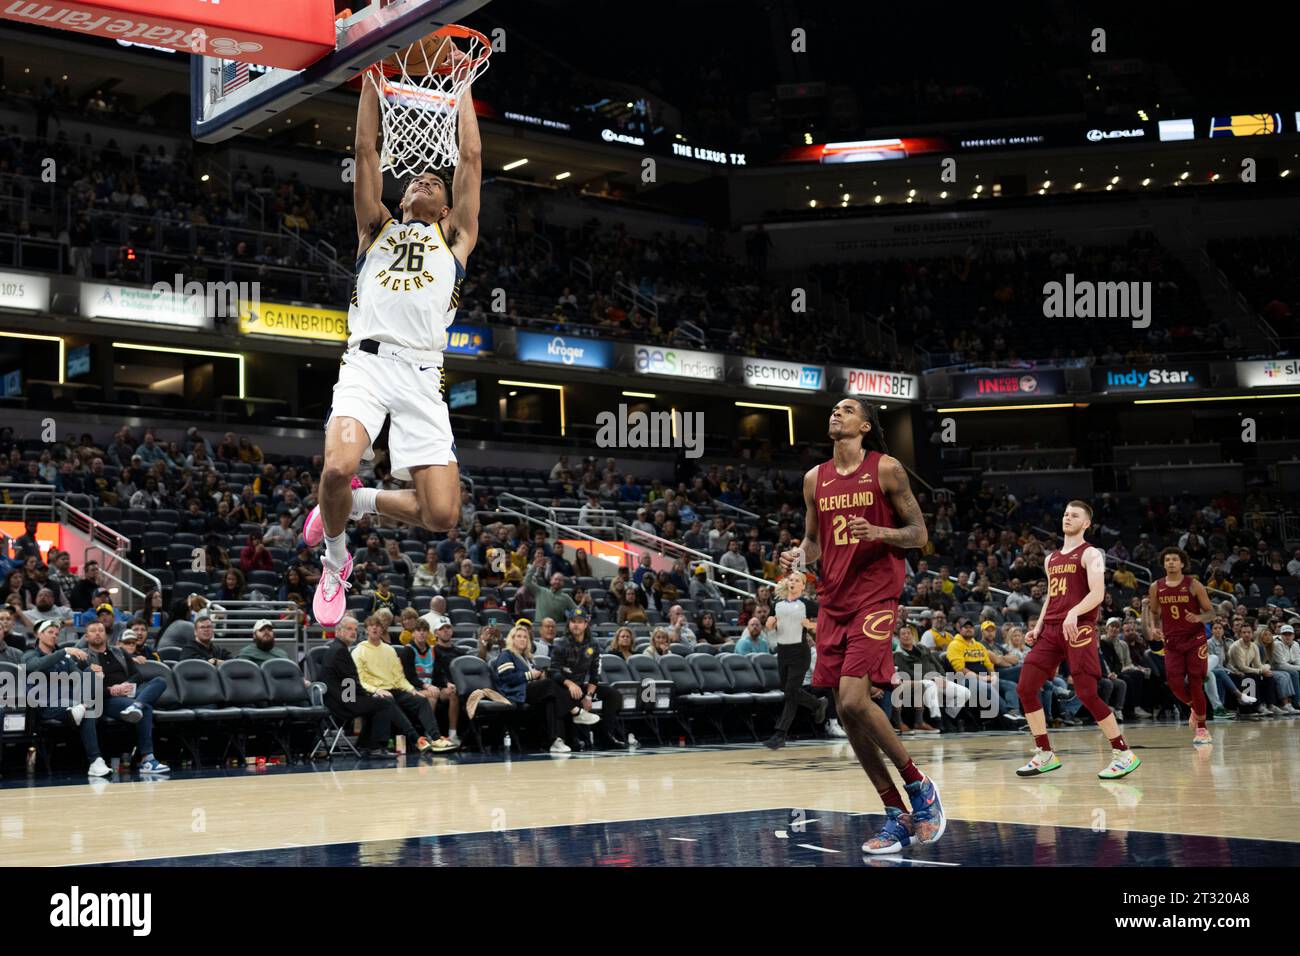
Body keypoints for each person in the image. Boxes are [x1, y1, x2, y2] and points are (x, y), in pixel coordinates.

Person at [302, 43, 484, 626]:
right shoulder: (374, 226)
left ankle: (357, 503)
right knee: (333, 466)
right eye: (418, 180)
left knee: (441, 515)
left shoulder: (455, 238)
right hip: (367, 364)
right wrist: (371, 76)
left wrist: (459, 85)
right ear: (402, 198)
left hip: (423, 374)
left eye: (437, 179)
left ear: (447, 204)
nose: (427, 179)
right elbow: (364, 148)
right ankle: (335, 562)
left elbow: (473, 157)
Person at [780, 396, 943, 854]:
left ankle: (920, 786)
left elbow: (920, 534)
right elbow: (814, 541)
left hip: (875, 595)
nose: (836, 413)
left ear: (866, 426)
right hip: (833, 600)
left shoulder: (887, 469)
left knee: (855, 697)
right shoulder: (815, 479)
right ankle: (896, 813)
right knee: (847, 712)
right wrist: (799, 557)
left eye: (847, 410)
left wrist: (881, 533)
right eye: (834, 409)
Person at [1016, 501, 1140, 780]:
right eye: (1065, 514)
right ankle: (1045, 753)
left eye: (1075, 515)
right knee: (1025, 688)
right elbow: (1051, 597)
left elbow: (1097, 593)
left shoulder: (1092, 553)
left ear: (1086, 524)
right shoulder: (1051, 559)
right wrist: (1037, 627)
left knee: (1086, 692)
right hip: (1050, 630)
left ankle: (1123, 752)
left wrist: (1073, 612)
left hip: (1079, 627)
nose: (1068, 518)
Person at [78, 620, 171, 776]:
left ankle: (137, 705)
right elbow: (87, 688)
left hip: (130, 692)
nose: (97, 633)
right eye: (93, 631)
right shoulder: (83, 658)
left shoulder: (119, 652)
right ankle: (148, 759)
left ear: (106, 635)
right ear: (86, 637)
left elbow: (137, 675)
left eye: (101, 630)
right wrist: (111, 690)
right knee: (145, 707)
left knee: (160, 681)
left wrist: (126, 684)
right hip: (106, 699)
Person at [352, 615, 457, 751]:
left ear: (382, 629)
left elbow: (399, 677)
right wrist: (376, 690)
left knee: (422, 700)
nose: (374, 628)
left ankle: (436, 738)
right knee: (388, 700)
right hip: (373, 692)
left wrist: (411, 689)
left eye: (377, 625)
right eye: (371, 625)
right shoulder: (359, 651)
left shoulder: (389, 650)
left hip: (394, 689)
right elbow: (360, 680)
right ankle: (416, 739)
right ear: (366, 630)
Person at [1146, 548, 1216, 745]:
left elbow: (1211, 614)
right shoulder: (1156, 586)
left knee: (1195, 681)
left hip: (1195, 639)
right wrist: (1155, 628)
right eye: (1167, 560)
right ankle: (1197, 709)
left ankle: (1202, 729)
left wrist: (1199, 617)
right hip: (1172, 641)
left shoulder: (1194, 585)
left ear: (1182, 564)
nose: (1170, 562)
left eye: (1174, 560)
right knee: (1175, 683)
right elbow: (1154, 611)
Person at [319, 615, 402, 757]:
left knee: (374, 703)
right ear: (338, 631)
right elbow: (349, 681)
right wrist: (366, 695)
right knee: (384, 703)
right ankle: (376, 747)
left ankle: (364, 745)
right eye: (349, 629)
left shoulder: (335, 648)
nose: (353, 632)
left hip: (336, 699)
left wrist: (366, 697)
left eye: (355, 629)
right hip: (343, 702)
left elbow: (347, 681)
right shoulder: (340, 651)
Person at [762, 572, 826, 748]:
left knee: (791, 692)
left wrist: (811, 625)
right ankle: (817, 703)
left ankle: (779, 735)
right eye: (791, 579)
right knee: (787, 690)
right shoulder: (778, 604)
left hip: (800, 652)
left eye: (797, 580)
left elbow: (826, 621)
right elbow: (769, 624)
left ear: (802, 586)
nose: (793, 582)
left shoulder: (806, 605)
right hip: (782, 651)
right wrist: (770, 624)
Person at [492, 624, 576, 753]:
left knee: (551, 700)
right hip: (514, 692)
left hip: (529, 691)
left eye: (525, 637)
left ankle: (557, 740)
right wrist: (531, 675)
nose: (522, 639)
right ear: (512, 639)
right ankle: (574, 710)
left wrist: (538, 676)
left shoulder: (528, 658)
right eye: (518, 636)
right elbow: (508, 678)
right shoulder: (506, 655)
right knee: (550, 684)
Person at [547, 608, 619, 744]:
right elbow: (553, 672)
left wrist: (589, 696)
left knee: (612, 694)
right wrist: (570, 684)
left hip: (581, 688)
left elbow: (595, 674)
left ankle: (606, 736)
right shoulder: (560, 644)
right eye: (573, 621)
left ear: (586, 624)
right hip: (563, 686)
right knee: (568, 693)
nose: (576, 624)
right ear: (569, 624)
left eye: (579, 622)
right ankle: (571, 736)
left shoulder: (593, 645)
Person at [405, 618, 461, 744]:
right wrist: (426, 686)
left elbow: (437, 673)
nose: (421, 633)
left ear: (428, 633)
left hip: (432, 686)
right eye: (418, 630)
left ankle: (453, 734)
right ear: (413, 633)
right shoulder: (408, 650)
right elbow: (409, 677)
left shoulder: (432, 650)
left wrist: (447, 683)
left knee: (453, 692)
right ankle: (430, 735)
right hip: (412, 688)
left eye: (424, 630)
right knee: (432, 695)